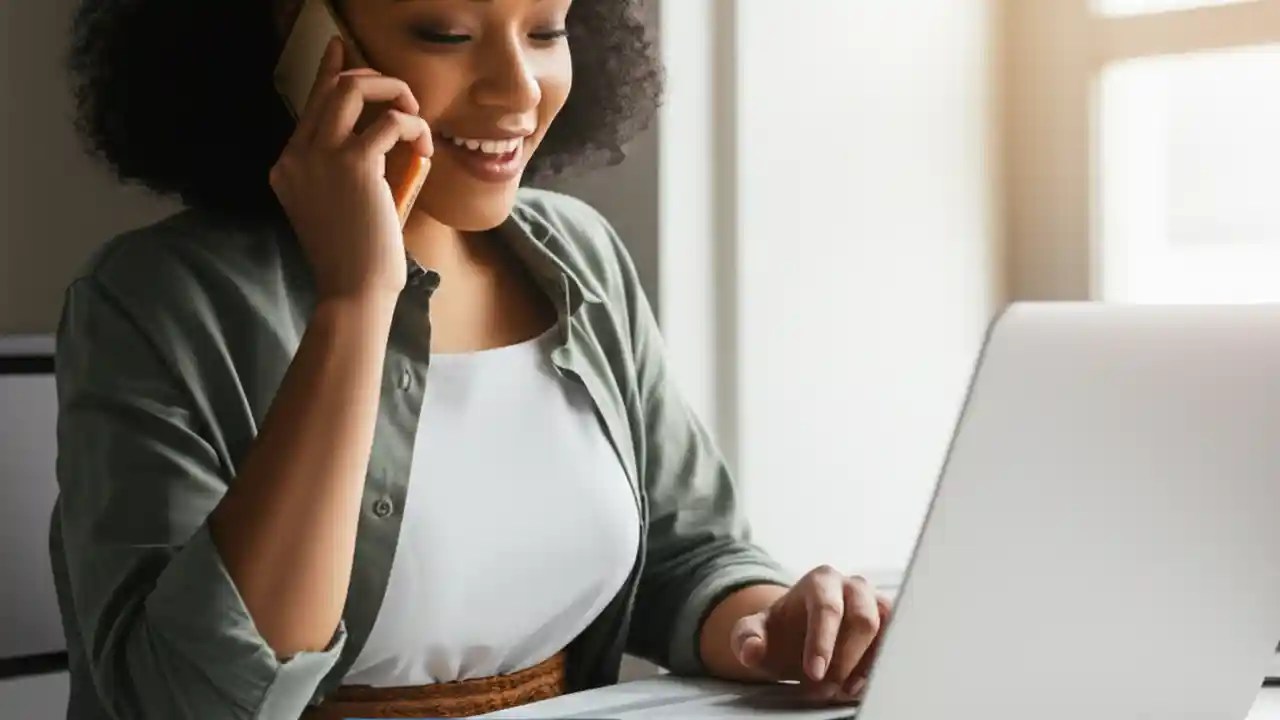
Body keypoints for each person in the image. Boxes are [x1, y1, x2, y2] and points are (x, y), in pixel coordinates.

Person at [52, 0, 891, 717]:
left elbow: (689, 553)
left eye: (546, 29)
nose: (519, 91)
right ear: (300, 38)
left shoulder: (577, 254)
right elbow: (184, 699)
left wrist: (772, 624)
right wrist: (357, 299)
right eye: (447, 33)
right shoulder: (155, 298)